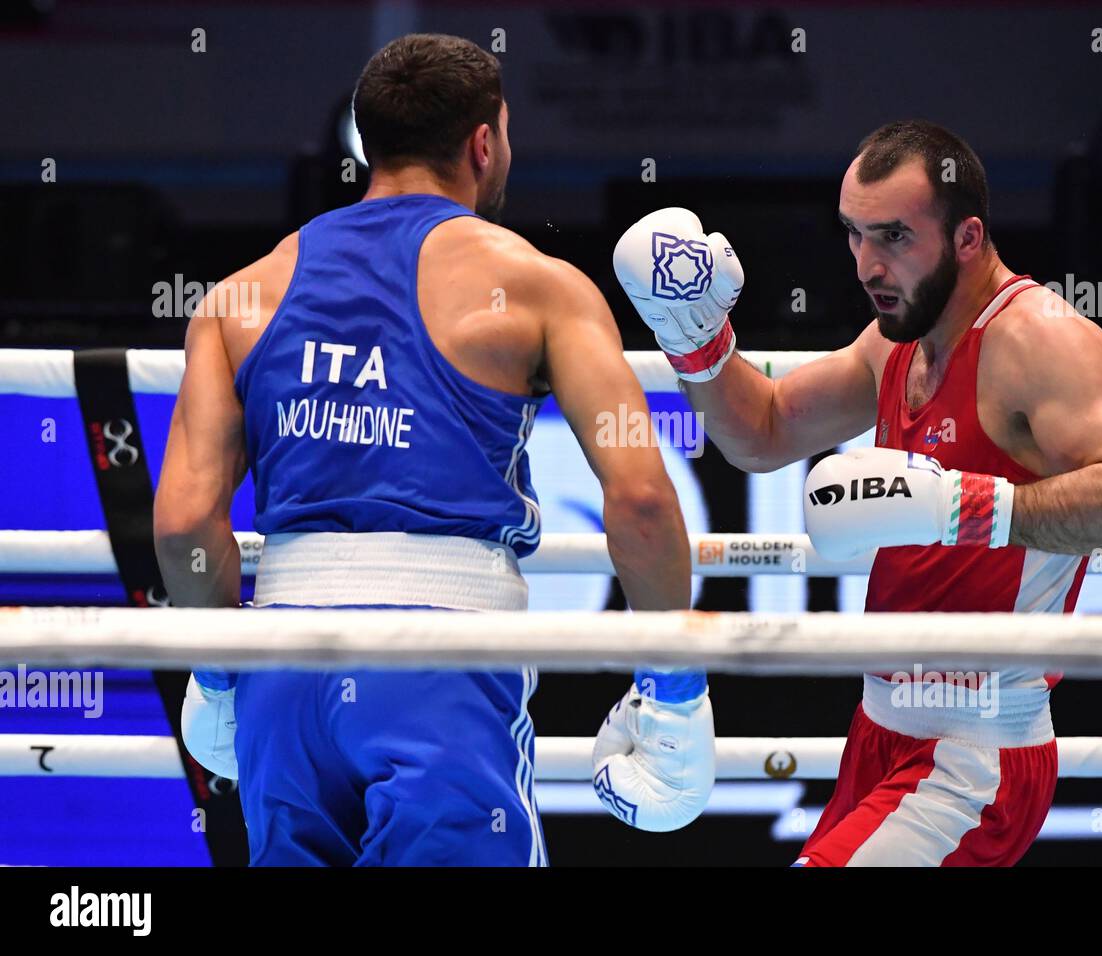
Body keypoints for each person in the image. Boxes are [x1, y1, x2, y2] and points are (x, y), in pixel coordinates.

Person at [154, 32, 713, 866]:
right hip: (442, 665)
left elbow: (183, 523)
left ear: (366, 142)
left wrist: (223, 668)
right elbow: (637, 497)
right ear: (484, 143)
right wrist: (674, 687)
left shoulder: (241, 295)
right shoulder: (537, 286)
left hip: (283, 672)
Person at [611, 119, 1102, 866]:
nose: (866, 265)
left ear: (968, 238)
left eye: (893, 238)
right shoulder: (897, 341)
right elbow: (764, 431)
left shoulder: (1038, 339)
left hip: (974, 752)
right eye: (853, 234)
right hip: (880, 730)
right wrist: (695, 338)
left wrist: (966, 507)